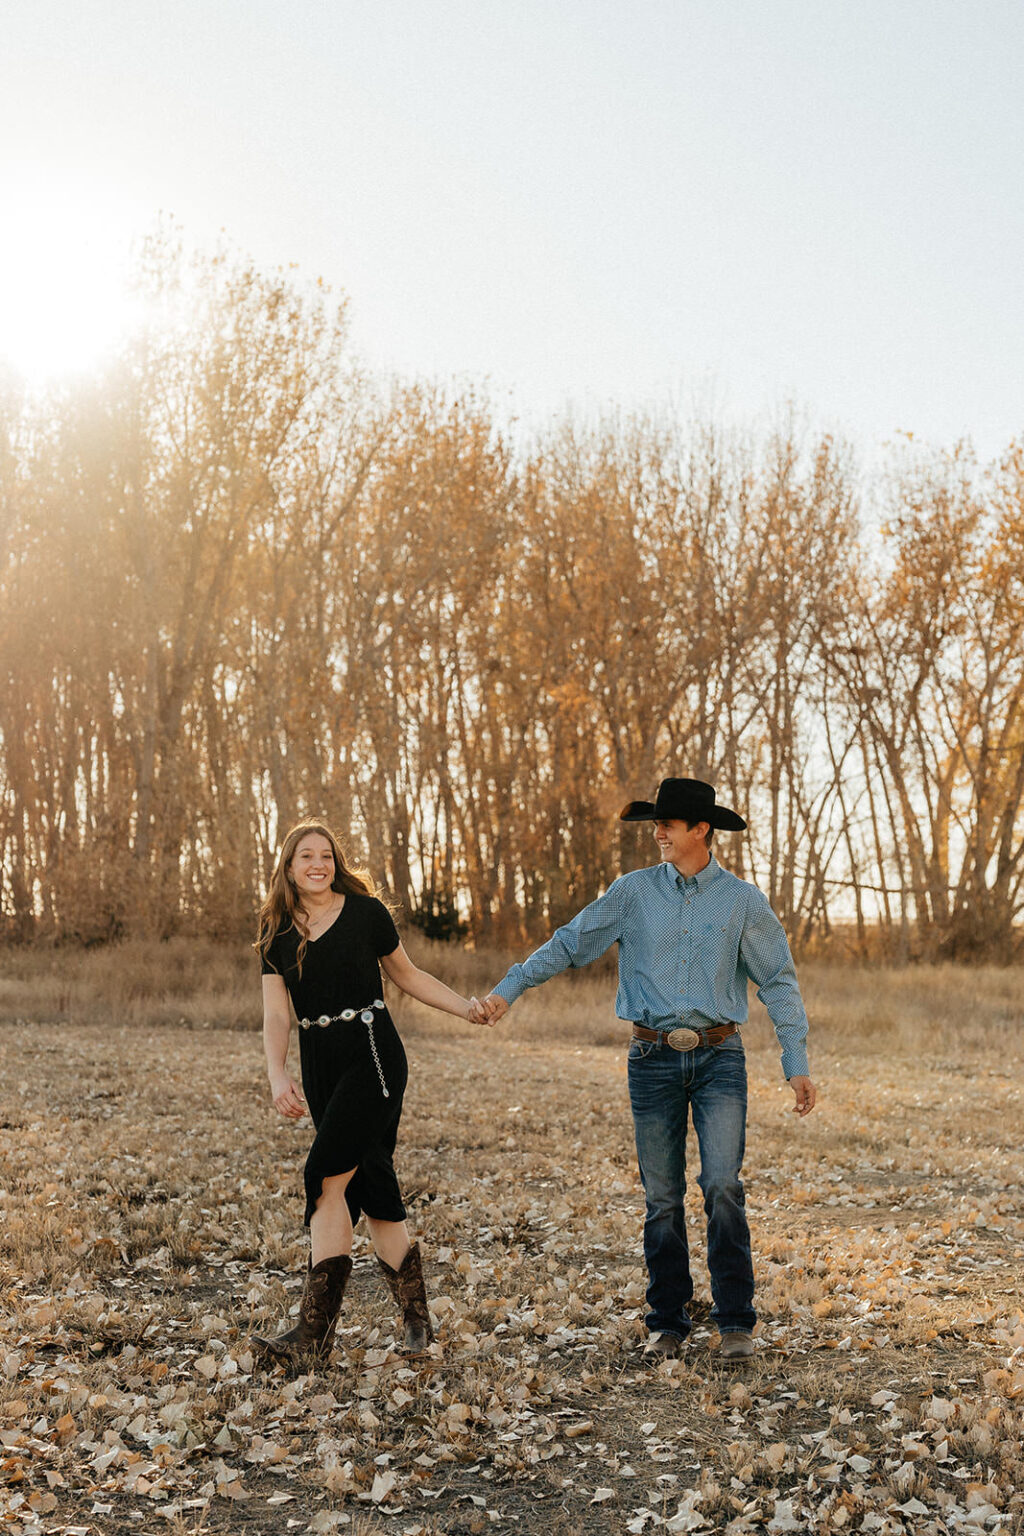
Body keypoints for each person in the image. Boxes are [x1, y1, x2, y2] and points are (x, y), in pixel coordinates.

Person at [482, 778, 816, 1363]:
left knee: (722, 1186)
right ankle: (668, 1321)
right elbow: (570, 942)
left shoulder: (742, 902)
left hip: (720, 1059)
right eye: (654, 824)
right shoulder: (633, 893)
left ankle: (735, 1323)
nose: (657, 833)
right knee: (662, 1196)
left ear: (700, 830)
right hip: (651, 1059)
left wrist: (797, 1063)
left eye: (667, 824)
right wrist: (511, 989)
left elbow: (779, 982)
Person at [252, 818, 488, 1366]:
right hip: (319, 1063)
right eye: (306, 856)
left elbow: (408, 975)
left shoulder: (365, 913)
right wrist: (277, 1074)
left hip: (373, 1054)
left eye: (327, 856)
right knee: (374, 1185)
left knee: (324, 1176)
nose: (318, 864)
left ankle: (312, 1340)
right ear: (288, 867)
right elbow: (274, 1014)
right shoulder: (276, 929)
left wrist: (465, 1006)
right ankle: (417, 1326)